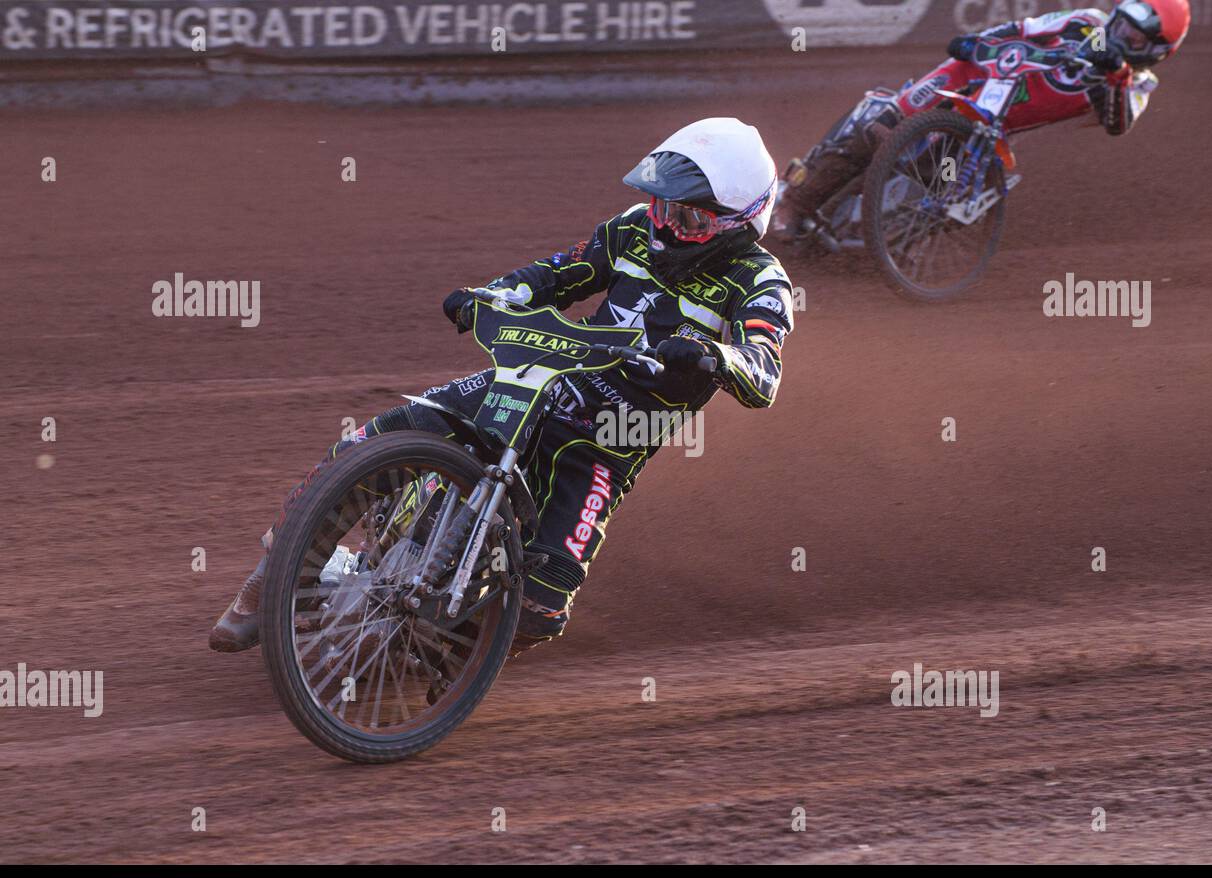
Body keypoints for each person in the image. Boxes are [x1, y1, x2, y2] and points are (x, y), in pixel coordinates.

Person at [211, 117, 795, 654]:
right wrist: (491, 295)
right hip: (537, 380)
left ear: (740, 224)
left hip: (605, 445)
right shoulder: (631, 231)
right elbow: (552, 275)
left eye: (688, 218)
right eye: (661, 205)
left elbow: (763, 370)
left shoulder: (759, 280)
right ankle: (273, 583)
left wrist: (714, 357)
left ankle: (441, 659)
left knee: (541, 607)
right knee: (370, 443)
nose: (665, 225)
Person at [772, 1, 1191, 239]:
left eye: (1133, 38)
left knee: (926, 176)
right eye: (1121, 25)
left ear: (1154, 50)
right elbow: (1023, 28)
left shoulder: (1136, 84)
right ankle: (794, 203)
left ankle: (852, 233)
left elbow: (1118, 123)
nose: (1118, 37)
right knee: (879, 126)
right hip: (969, 73)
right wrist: (977, 42)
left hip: (988, 124)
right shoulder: (1086, 21)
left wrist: (1114, 72)